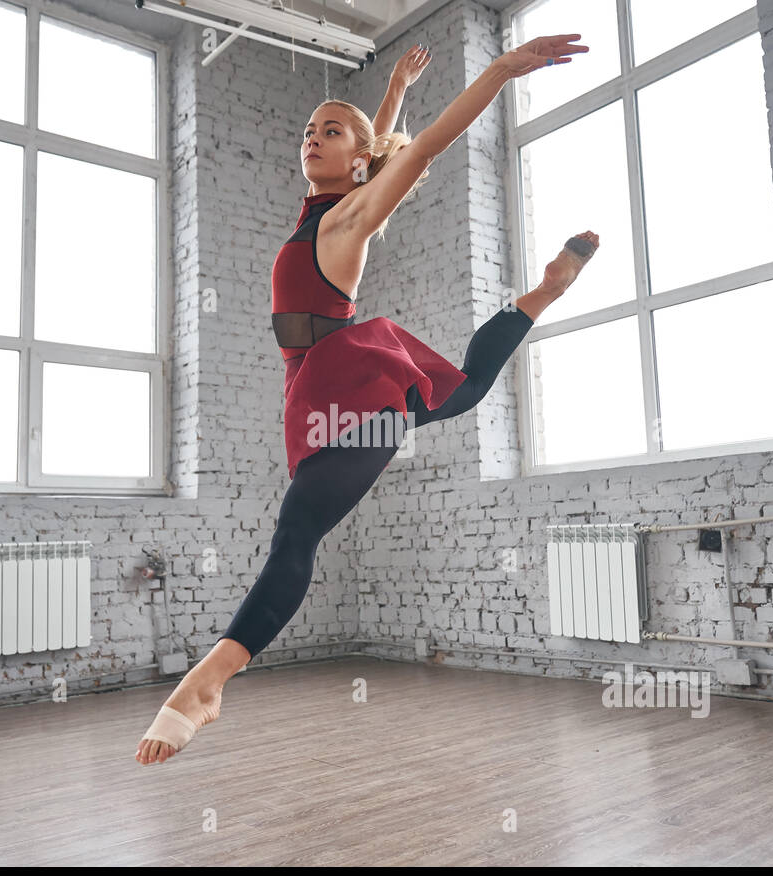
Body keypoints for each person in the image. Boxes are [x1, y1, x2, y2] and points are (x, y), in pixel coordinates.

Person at [138, 36, 599, 765]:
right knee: (462, 393)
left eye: (327, 132)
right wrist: (389, 97)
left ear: (352, 160)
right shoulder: (320, 207)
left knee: (297, 534)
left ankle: (211, 679)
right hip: (320, 381)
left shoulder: (346, 221)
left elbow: (414, 155)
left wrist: (500, 71)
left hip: (340, 382)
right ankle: (538, 298)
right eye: (306, 132)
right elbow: (380, 150)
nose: (308, 141)